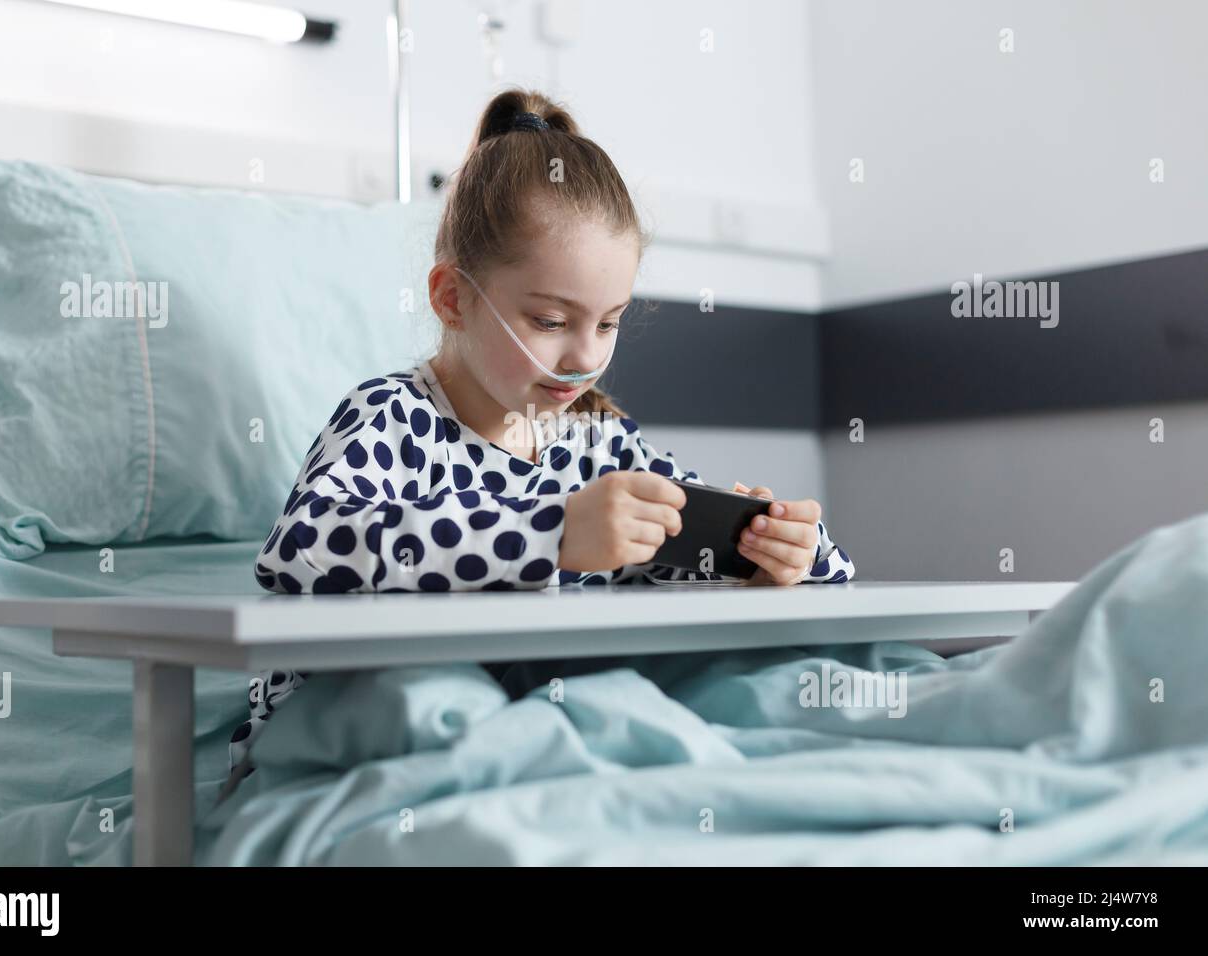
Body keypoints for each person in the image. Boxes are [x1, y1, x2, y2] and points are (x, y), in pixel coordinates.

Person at [228, 88, 855, 775]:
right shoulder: (393, 419)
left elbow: (684, 577)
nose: (586, 357)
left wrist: (782, 555)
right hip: (385, 726)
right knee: (435, 698)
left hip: (553, 728)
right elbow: (301, 552)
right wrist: (552, 534)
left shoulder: (602, 445)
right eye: (552, 322)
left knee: (770, 685)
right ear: (452, 298)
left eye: (609, 322)